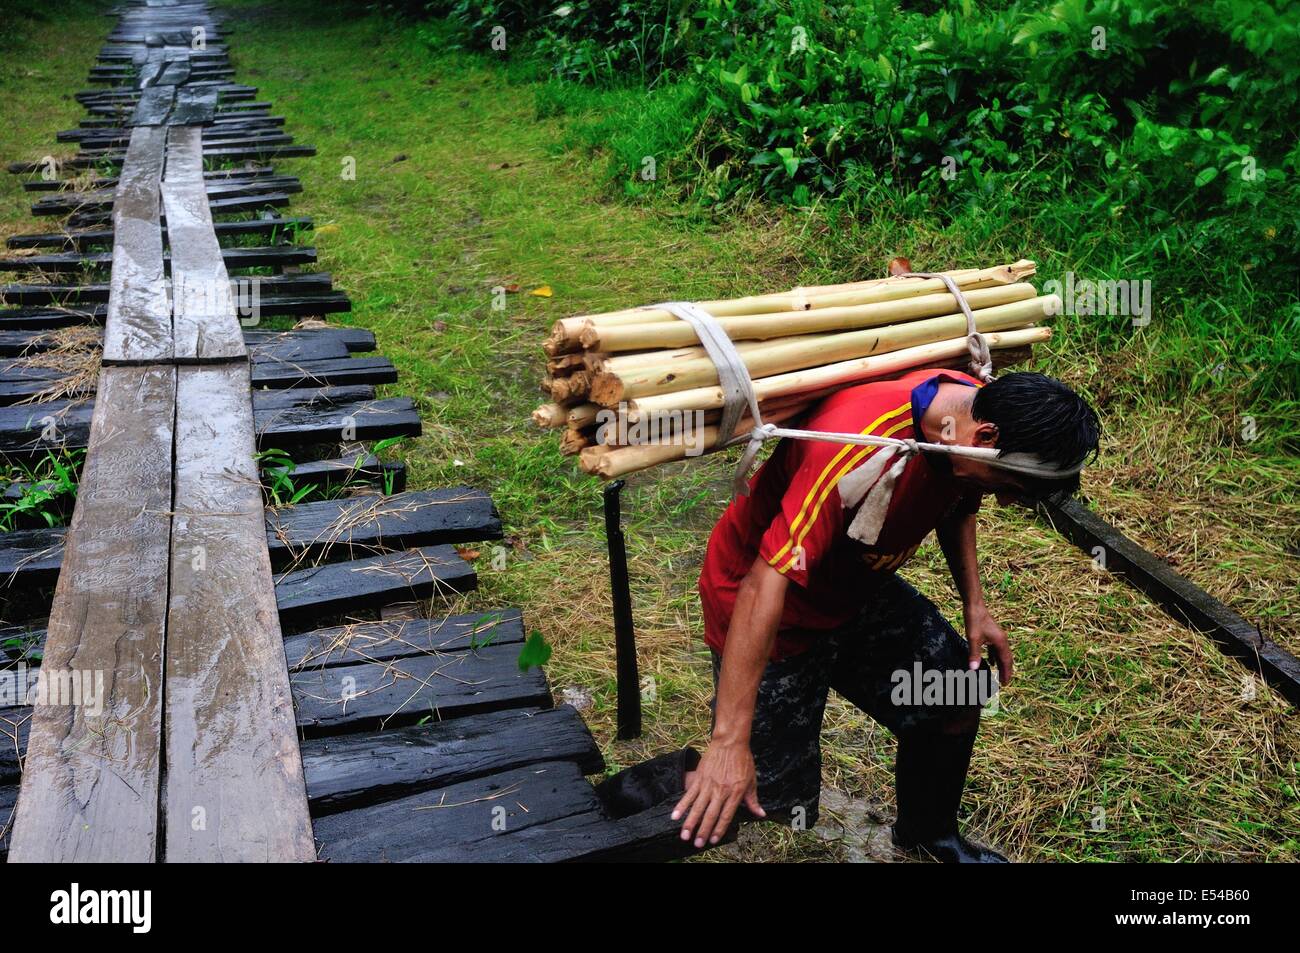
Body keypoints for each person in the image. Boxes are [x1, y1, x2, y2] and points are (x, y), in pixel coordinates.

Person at [673, 368, 1101, 861]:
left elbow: (961, 502)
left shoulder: (970, 413)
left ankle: (928, 836)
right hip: (768, 604)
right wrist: (729, 742)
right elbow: (763, 586)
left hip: (854, 588)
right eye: (1011, 484)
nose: (1006, 498)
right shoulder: (854, 446)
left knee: (954, 694)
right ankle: (635, 806)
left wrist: (975, 605)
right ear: (985, 439)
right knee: (759, 792)